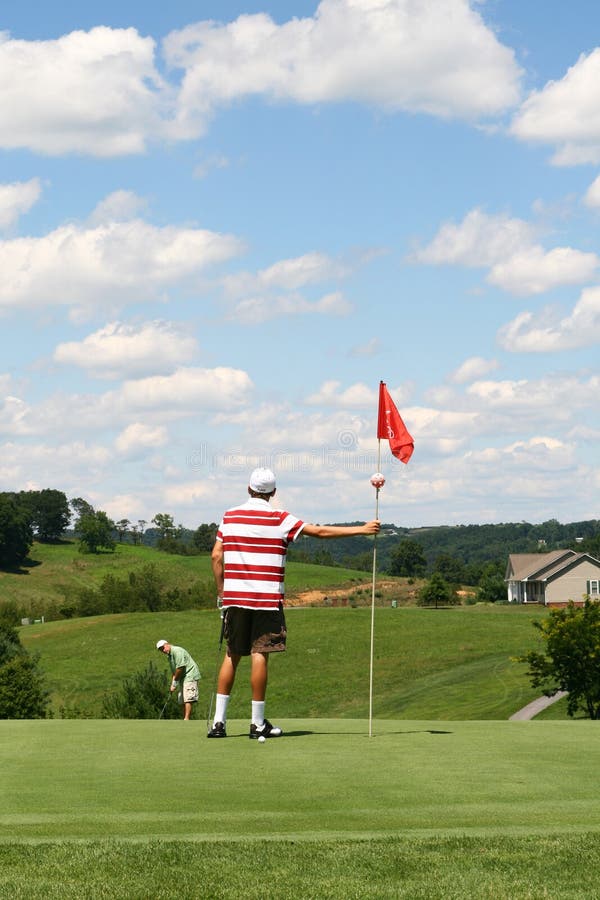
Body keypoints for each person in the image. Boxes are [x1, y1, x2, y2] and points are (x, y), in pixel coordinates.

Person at [208, 467, 380, 739]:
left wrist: (222, 591)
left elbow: (217, 556)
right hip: (266, 599)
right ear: (273, 493)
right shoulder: (280, 518)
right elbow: (320, 532)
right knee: (259, 654)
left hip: (235, 598)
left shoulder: (230, 516)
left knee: (232, 654)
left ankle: (218, 724)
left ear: (248, 488)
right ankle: (257, 724)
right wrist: (362, 529)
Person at [156, 640, 201, 721]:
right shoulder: (169, 657)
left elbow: (180, 668)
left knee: (188, 698)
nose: (163, 650)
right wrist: (173, 684)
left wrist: (175, 681)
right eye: (161, 650)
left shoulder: (177, 651)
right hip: (182, 677)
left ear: (167, 644)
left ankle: (186, 719)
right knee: (181, 699)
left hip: (190, 674)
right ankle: (184, 718)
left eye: (163, 648)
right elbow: (174, 672)